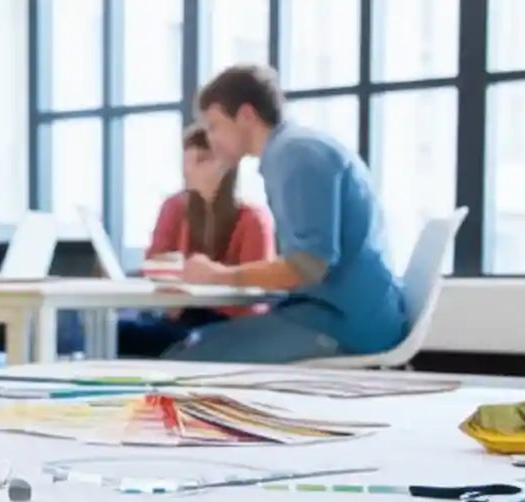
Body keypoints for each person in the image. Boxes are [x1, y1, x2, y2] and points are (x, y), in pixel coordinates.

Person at [170, 64, 408, 364]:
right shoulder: (292, 151)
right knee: (194, 344)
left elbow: (309, 265)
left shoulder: (295, 156)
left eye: (214, 125)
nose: (211, 139)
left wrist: (219, 275)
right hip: (336, 314)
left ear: (245, 116)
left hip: (345, 325)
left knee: (186, 360)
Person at [116, 124, 276, 358]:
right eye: (187, 161)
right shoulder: (175, 207)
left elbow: (257, 290)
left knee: (136, 338)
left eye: (200, 160)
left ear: (226, 165)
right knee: (117, 332)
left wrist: (208, 280)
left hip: (229, 323)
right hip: (179, 315)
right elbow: (154, 262)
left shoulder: (252, 218)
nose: (189, 170)